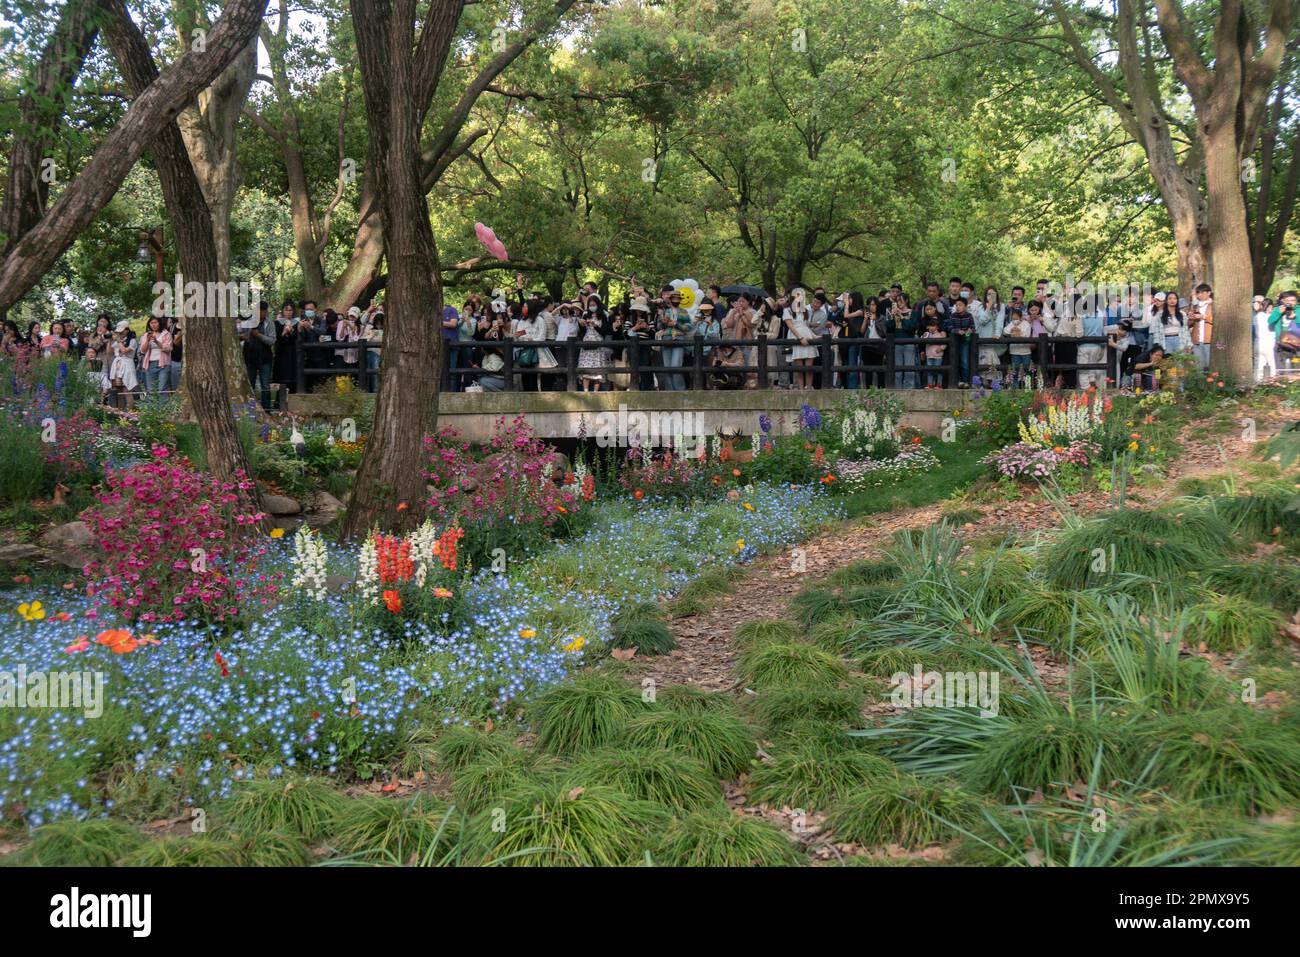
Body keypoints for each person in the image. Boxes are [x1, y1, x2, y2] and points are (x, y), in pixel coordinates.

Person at [242, 302, 278, 410]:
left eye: (263, 310)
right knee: (250, 385)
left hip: (265, 358)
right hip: (250, 358)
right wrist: (246, 336)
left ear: (266, 312)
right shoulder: (248, 322)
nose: (261, 313)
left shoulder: (270, 323)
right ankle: (250, 409)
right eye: (258, 310)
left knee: (265, 385)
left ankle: (266, 409)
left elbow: (272, 340)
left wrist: (258, 335)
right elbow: (240, 336)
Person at [783, 288, 818, 390]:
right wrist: (800, 338)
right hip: (796, 337)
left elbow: (806, 326)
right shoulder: (787, 310)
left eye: (802, 295)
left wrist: (815, 336)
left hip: (808, 336)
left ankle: (809, 390)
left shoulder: (805, 310)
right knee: (799, 369)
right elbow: (791, 326)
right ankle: (801, 391)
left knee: (809, 368)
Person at [103, 320, 139, 409]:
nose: (120, 333)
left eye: (121, 331)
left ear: (127, 330)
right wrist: (109, 341)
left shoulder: (132, 341)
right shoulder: (118, 340)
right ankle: (120, 412)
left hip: (127, 364)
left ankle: (130, 413)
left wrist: (118, 341)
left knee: (126, 389)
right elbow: (109, 352)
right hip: (117, 365)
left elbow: (124, 351)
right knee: (118, 389)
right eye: (118, 331)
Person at [657, 289, 689, 391]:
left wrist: (676, 324)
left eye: (677, 298)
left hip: (679, 339)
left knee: (676, 367)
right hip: (666, 339)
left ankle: (680, 391)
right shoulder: (665, 311)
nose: (676, 300)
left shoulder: (684, 312)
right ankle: (669, 392)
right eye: (674, 298)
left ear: (680, 300)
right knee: (667, 369)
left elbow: (689, 327)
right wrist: (663, 319)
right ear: (670, 299)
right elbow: (659, 326)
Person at [972, 286, 1005, 382]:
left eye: (993, 293)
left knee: (993, 360)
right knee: (982, 360)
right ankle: (981, 382)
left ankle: (993, 383)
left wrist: (997, 334)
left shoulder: (1001, 306)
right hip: (982, 336)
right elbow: (982, 320)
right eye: (989, 294)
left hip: (993, 338)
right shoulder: (980, 307)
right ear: (985, 296)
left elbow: (1000, 321)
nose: (991, 296)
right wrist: (988, 308)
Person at [138, 316, 172, 396]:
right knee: (151, 389)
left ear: (159, 323)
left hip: (163, 364)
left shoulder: (166, 334)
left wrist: (156, 341)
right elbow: (142, 350)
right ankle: (152, 408)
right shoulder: (146, 335)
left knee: (162, 388)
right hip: (150, 364)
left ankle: (163, 408)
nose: (153, 325)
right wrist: (147, 340)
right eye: (151, 323)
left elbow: (168, 348)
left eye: (155, 323)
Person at [945, 297, 975, 387]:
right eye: (956, 305)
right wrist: (957, 331)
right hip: (954, 342)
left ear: (965, 306)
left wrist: (970, 330)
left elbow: (973, 327)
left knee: (965, 361)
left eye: (960, 305)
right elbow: (949, 328)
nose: (958, 307)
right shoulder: (953, 316)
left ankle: (965, 381)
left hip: (965, 341)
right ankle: (957, 381)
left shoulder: (969, 316)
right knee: (955, 361)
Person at [890, 292, 916, 389]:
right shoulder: (893, 313)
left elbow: (911, 328)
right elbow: (888, 328)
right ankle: (898, 390)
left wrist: (901, 316)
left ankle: (909, 389)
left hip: (909, 343)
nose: (899, 303)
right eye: (897, 301)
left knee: (909, 368)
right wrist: (892, 317)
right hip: (897, 343)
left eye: (901, 301)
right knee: (897, 369)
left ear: (906, 301)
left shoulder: (913, 313)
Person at [1107, 319, 1140, 388]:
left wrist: (1113, 344)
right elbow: (1104, 329)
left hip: (1117, 360)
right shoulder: (1115, 327)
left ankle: (1116, 387)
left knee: (1117, 374)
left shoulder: (1126, 338)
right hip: (1106, 357)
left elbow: (1124, 348)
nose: (1121, 331)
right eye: (1120, 328)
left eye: (1124, 330)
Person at [1189, 283, 1213, 370]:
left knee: (1209, 365)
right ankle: (1199, 383)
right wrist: (1191, 318)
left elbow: (1217, 321)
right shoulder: (1195, 306)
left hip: (1208, 340)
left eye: (1202, 292)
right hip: (1197, 341)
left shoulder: (1213, 305)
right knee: (1199, 367)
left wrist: (1204, 317)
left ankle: (1210, 383)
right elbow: (1189, 324)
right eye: (1198, 293)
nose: (1200, 295)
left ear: (1209, 293)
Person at [1005, 307, 1033, 382]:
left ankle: (1026, 387)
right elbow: (1005, 331)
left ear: (1021, 317)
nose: (1015, 320)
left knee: (1026, 371)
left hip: (1025, 351)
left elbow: (1027, 335)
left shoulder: (1026, 324)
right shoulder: (1011, 324)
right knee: (1015, 371)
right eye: (1013, 319)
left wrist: (1019, 333)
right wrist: (1011, 331)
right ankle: (1015, 387)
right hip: (1014, 351)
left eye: (1016, 318)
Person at [1254, 296, 1277, 382]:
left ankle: (1257, 381)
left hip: (1258, 342)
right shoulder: (1270, 317)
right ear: (1270, 307)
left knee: (1259, 365)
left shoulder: (1256, 316)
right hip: (1268, 343)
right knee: (1272, 365)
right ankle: (1274, 382)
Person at [921, 316, 947, 389]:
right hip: (929, 355)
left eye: (933, 326)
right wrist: (925, 335)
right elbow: (921, 340)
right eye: (930, 326)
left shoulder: (940, 334)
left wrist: (941, 348)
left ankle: (939, 385)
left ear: (937, 327)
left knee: (938, 371)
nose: (931, 328)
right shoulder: (927, 334)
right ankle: (930, 384)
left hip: (938, 356)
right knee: (930, 371)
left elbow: (945, 343)